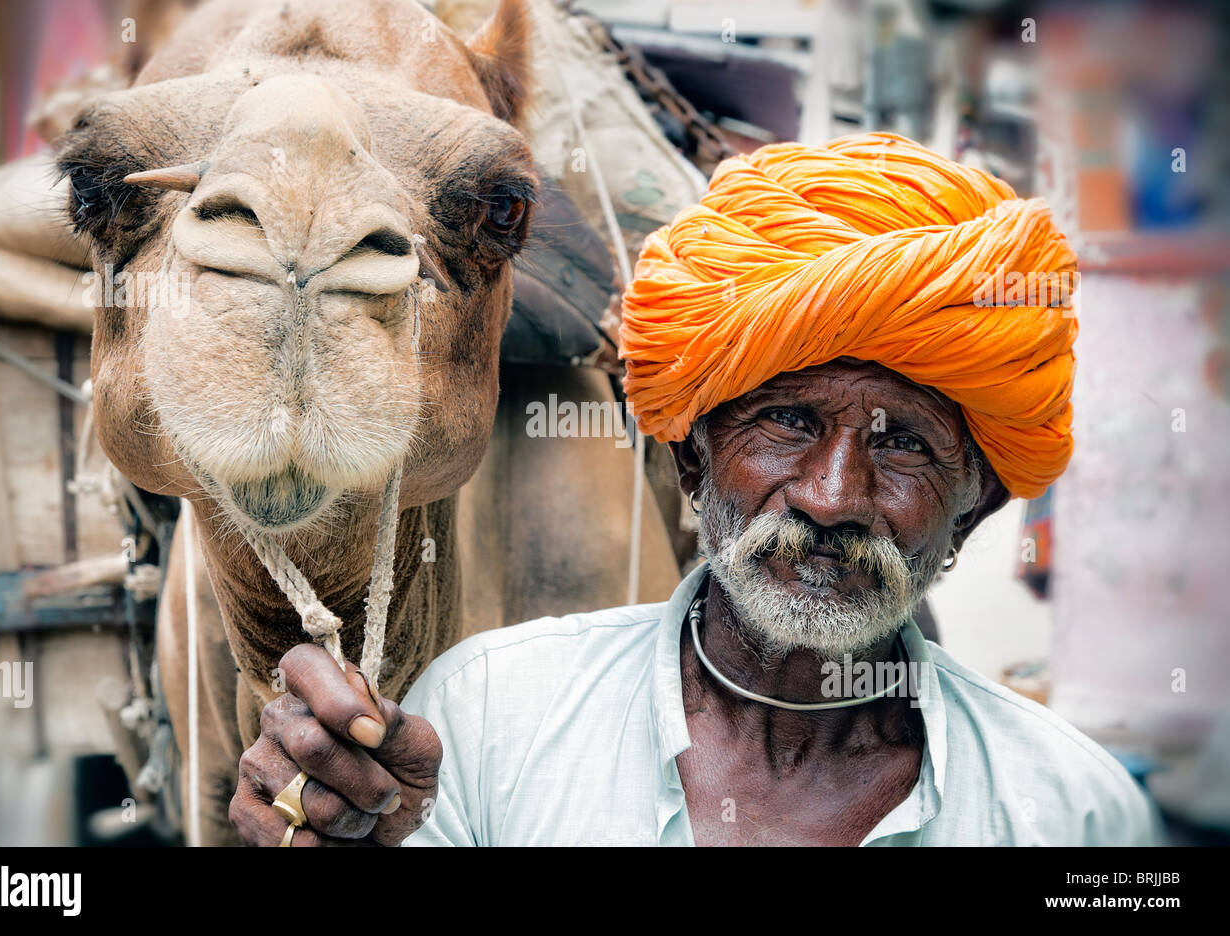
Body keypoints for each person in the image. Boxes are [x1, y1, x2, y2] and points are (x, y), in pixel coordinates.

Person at [228, 133, 1163, 846]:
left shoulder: (1074, 814)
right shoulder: (487, 717)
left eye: (905, 444)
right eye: (789, 422)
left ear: (973, 509)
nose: (833, 497)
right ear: (690, 459)